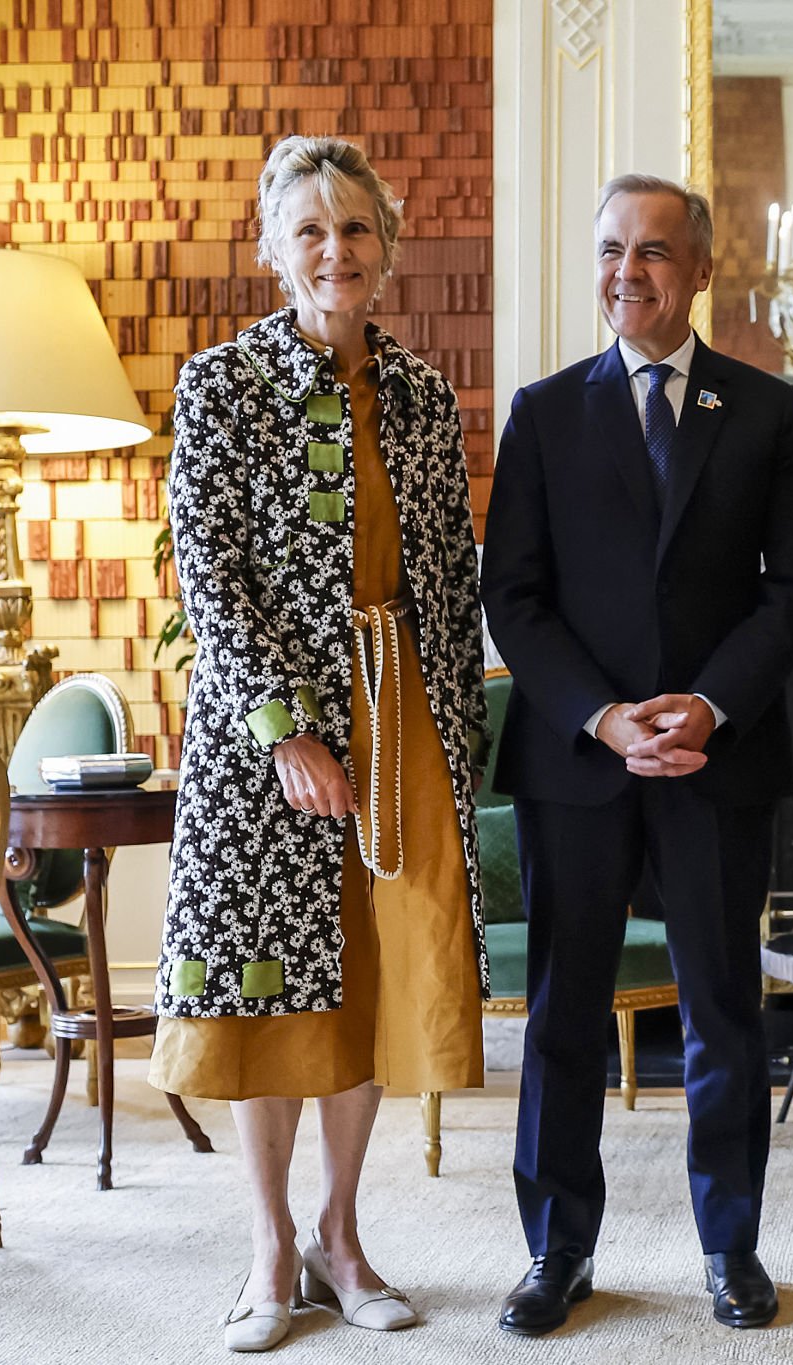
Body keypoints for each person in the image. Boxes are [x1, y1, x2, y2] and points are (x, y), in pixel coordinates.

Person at [151, 135, 492, 1353]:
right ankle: (268, 1249)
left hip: (402, 716)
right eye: (311, 231)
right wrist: (286, 729)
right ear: (272, 250)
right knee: (271, 988)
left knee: (366, 981)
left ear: (386, 253)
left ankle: (344, 1238)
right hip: (269, 737)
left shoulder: (418, 394)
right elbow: (214, 577)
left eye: (355, 231)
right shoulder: (219, 386)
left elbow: (451, 574)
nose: (335, 251)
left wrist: (455, 737)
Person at [480, 173, 793, 1335]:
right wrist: (603, 714)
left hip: (715, 757)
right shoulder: (541, 412)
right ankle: (556, 1253)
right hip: (576, 760)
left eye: (654, 252)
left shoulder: (768, 413)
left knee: (723, 1010)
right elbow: (513, 600)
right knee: (563, 1011)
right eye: (610, 249)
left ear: (701, 269)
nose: (628, 271)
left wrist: (705, 706)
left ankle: (730, 1249)